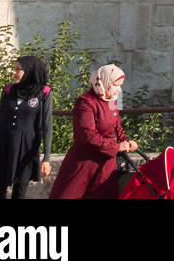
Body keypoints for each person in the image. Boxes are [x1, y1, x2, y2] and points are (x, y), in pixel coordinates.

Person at [50, 64, 136, 199]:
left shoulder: (113, 100)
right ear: (105, 82)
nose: (119, 90)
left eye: (121, 85)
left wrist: (126, 142)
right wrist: (117, 147)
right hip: (85, 164)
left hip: (106, 166)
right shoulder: (85, 102)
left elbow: (116, 127)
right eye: (116, 85)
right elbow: (88, 136)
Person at [0, 55, 54, 200]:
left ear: (29, 71)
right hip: (3, 145)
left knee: (20, 190)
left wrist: (46, 158)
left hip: (26, 148)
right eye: (14, 69)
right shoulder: (9, 90)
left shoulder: (43, 93)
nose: (14, 73)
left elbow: (46, 126)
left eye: (18, 70)